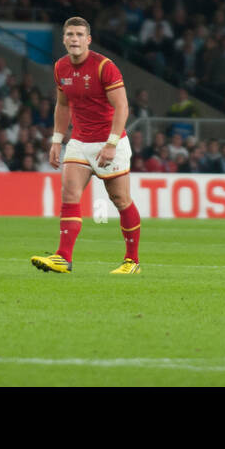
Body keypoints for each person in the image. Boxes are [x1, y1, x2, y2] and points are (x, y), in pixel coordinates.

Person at [31, 16, 142, 275]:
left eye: (80, 35)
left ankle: (132, 261)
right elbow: (62, 104)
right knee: (69, 195)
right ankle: (63, 257)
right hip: (79, 141)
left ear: (88, 40)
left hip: (109, 141)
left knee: (120, 199)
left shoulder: (105, 67)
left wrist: (112, 144)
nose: (74, 39)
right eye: (70, 34)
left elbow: (122, 107)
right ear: (63, 39)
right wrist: (57, 141)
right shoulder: (60, 67)